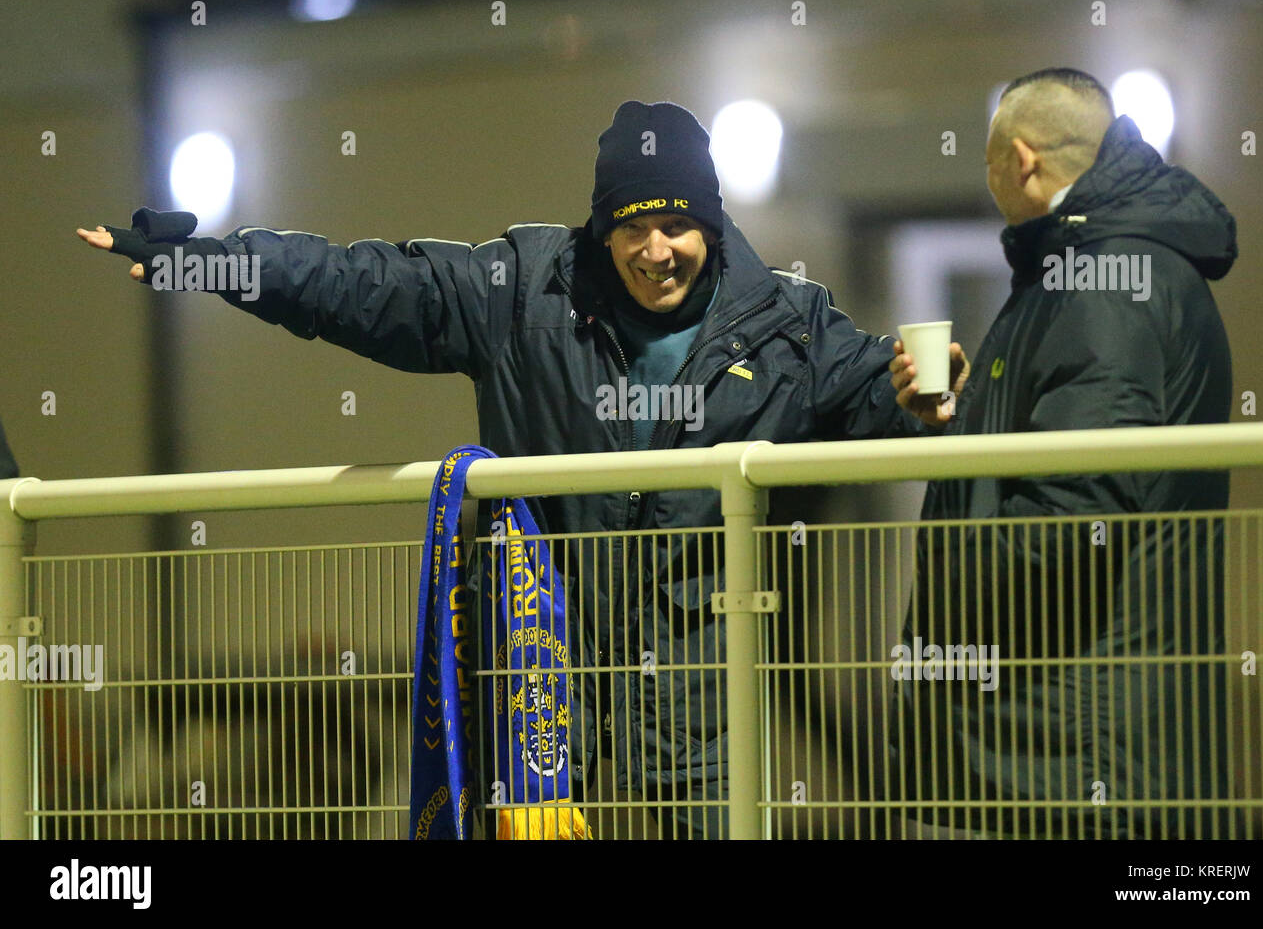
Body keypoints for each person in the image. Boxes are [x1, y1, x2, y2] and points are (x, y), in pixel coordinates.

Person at [79, 100, 919, 838]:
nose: (655, 250)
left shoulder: (790, 327)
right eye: (631, 226)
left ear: (712, 223)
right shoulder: (520, 292)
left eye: (676, 226)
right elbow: (359, 284)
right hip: (538, 707)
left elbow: (875, 397)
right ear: (601, 228)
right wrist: (214, 263)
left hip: (700, 725)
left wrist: (923, 395)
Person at [888, 68, 1236, 838]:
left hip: (1082, 746)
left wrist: (946, 598)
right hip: (1088, 729)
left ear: (1020, 159)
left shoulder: (1103, 283)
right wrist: (966, 415)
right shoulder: (1095, 268)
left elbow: (1081, 509)